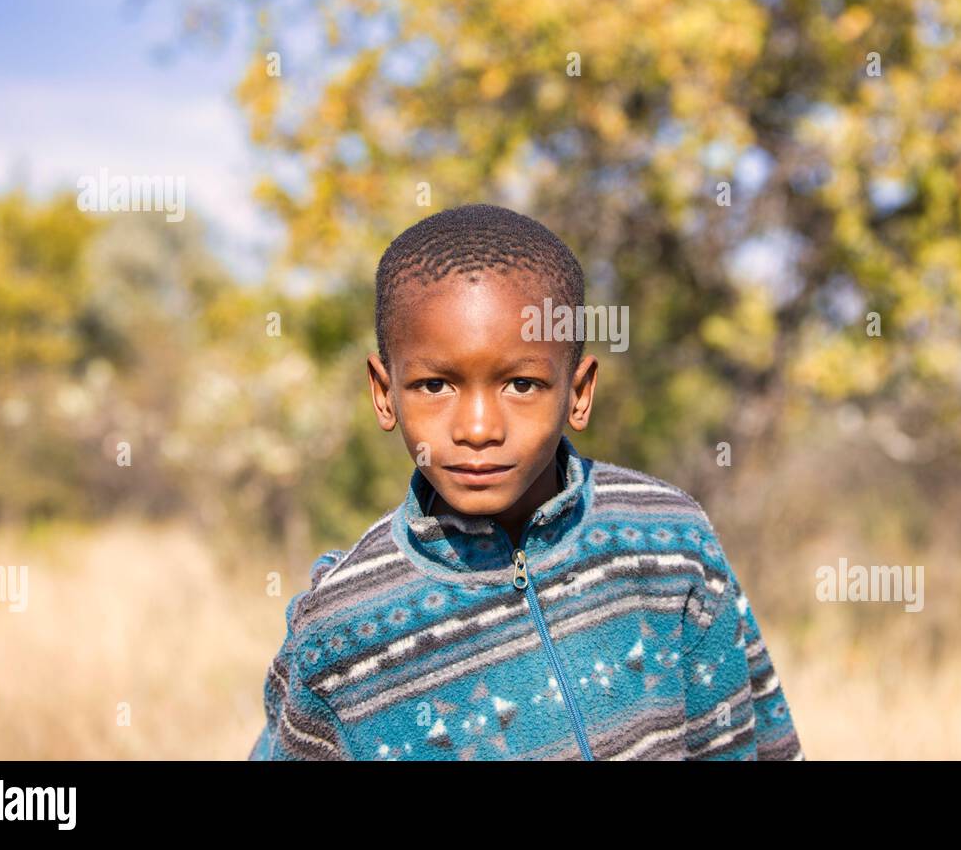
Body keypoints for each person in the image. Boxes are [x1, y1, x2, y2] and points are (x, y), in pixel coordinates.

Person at [249, 203, 805, 760]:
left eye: (521, 384)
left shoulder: (669, 541)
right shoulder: (343, 632)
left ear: (578, 392)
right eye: (435, 385)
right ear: (384, 392)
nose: (478, 429)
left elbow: (752, 744)